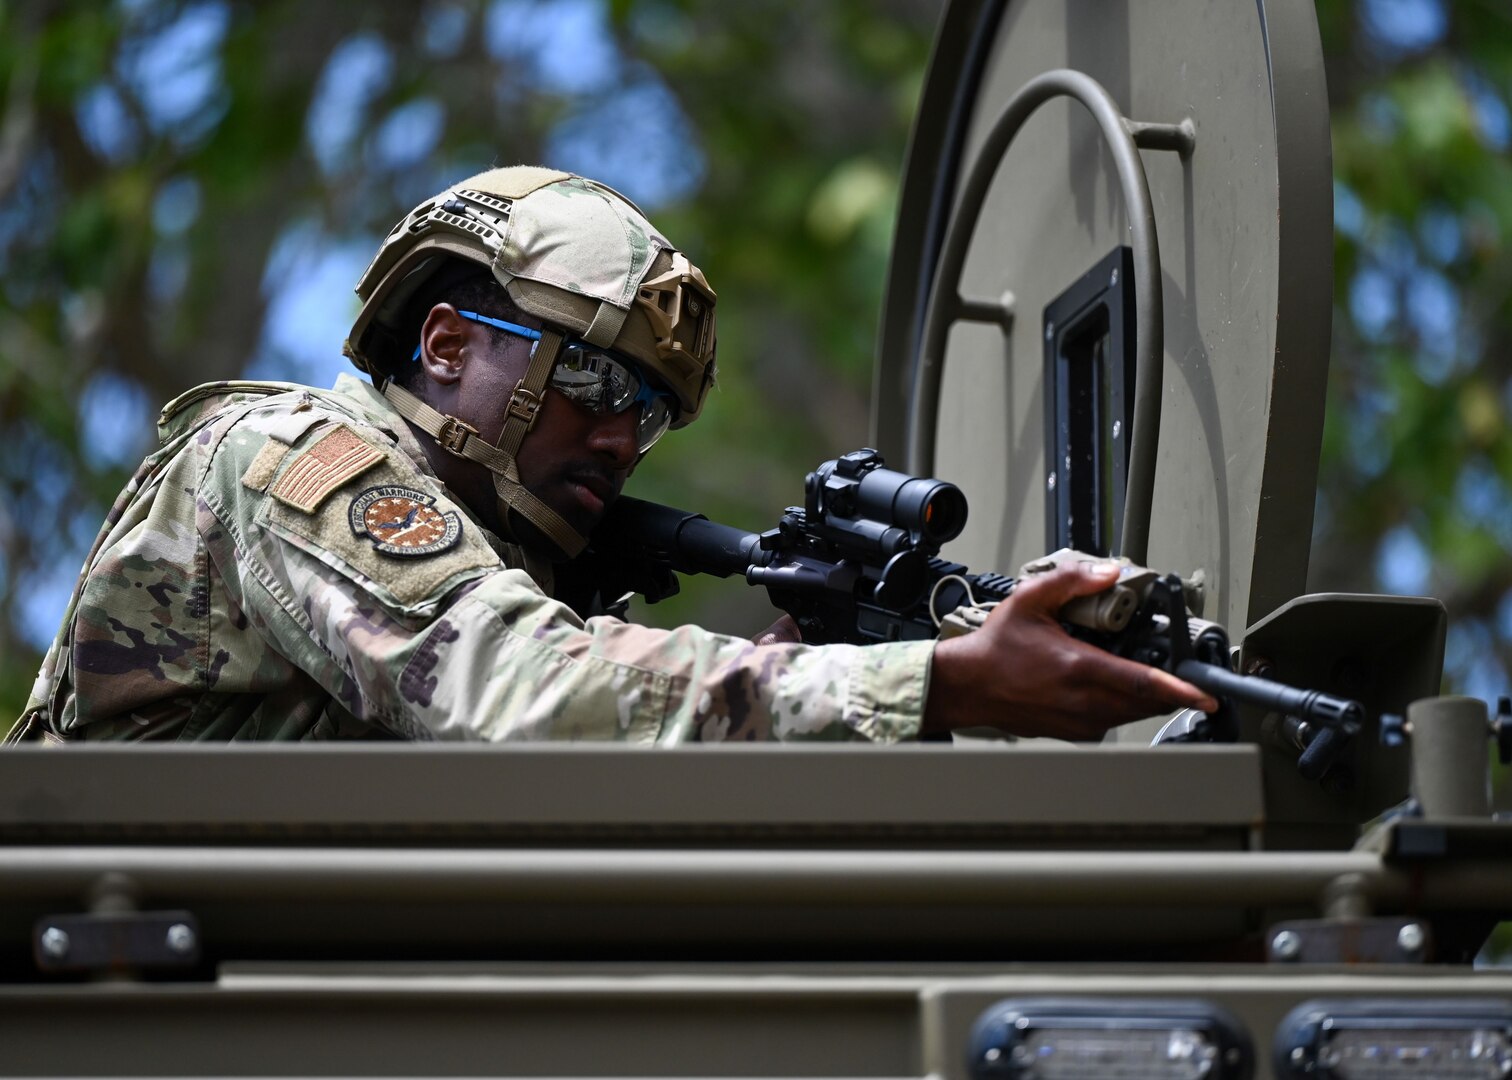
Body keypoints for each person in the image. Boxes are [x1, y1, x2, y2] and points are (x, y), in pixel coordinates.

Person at [7, 166, 1215, 744]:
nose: (625, 433)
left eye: (652, 408)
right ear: (443, 344)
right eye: (590, 379)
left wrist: (796, 673)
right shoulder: (297, 457)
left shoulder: (509, 545)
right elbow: (522, 692)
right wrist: (934, 685)